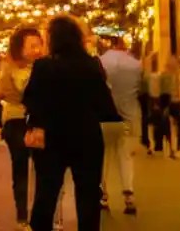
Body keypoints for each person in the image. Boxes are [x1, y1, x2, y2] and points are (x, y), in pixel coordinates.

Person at [23, 15, 117, 231]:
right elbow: (105, 106)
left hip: (51, 139)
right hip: (86, 138)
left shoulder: (43, 67)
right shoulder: (91, 65)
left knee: (46, 194)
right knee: (88, 197)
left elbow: (30, 100)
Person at [0, 25, 44, 228]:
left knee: (43, 169)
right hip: (16, 121)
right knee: (20, 169)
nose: (37, 50)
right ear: (19, 48)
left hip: (39, 121)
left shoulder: (42, 67)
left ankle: (40, 215)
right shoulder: (9, 67)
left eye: (39, 45)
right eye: (32, 46)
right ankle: (22, 217)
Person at [98, 34, 142, 214]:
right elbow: (141, 89)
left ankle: (103, 195)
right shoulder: (135, 65)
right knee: (125, 156)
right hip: (129, 116)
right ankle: (128, 194)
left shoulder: (100, 62)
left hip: (105, 116)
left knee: (104, 156)